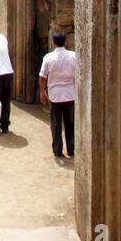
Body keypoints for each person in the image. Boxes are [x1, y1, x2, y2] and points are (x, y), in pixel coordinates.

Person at [40, 28, 76, 158]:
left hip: (55, 95)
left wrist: (42, 92)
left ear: (53, 42)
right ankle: (71, 149)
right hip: (70, 94)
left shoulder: (49, 57)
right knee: (70, 123)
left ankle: (57, 150)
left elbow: (43, 77)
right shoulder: (73, 56)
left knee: (55, 124)